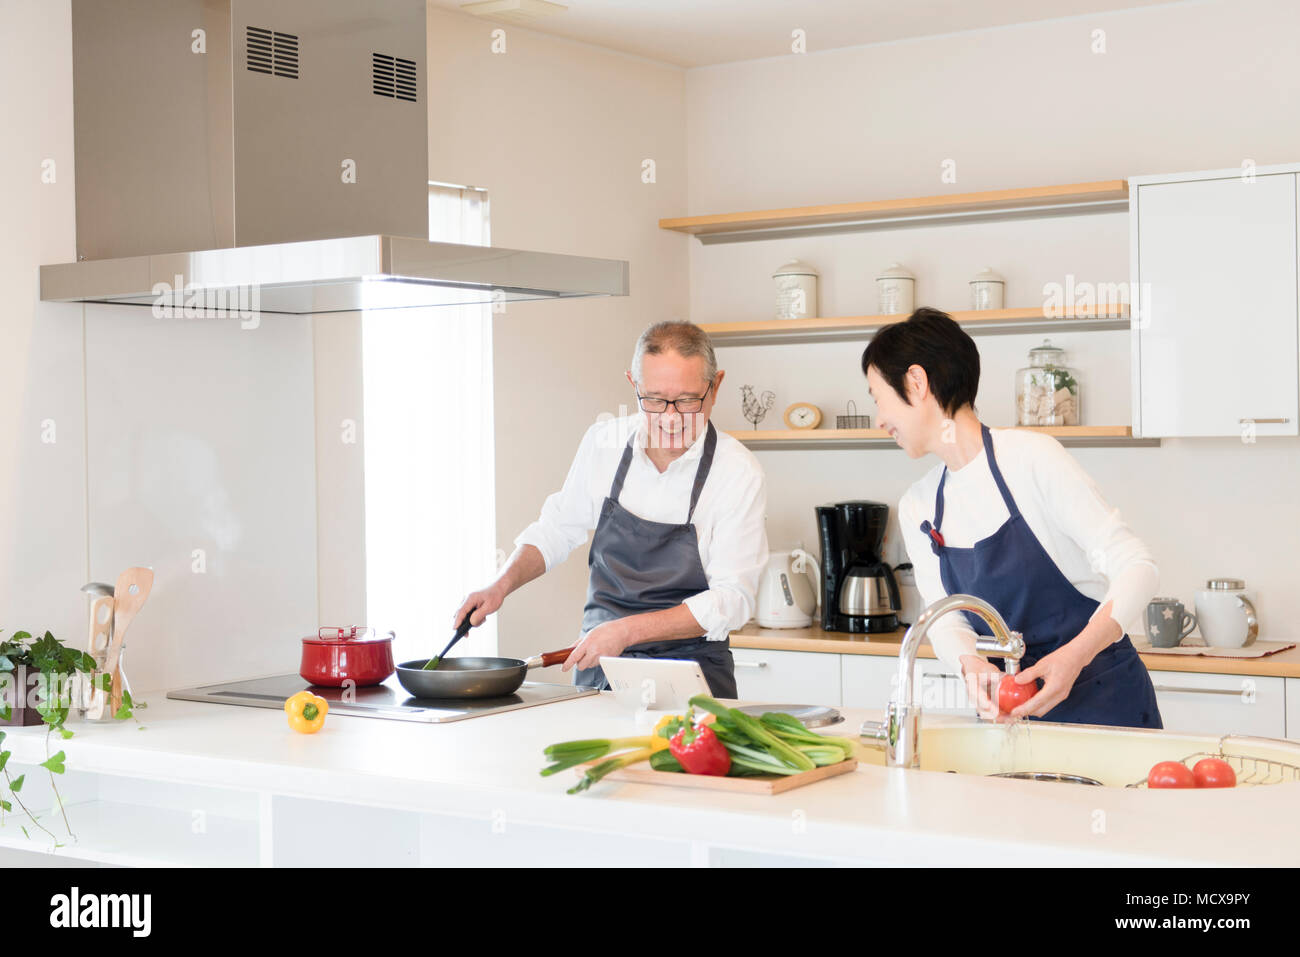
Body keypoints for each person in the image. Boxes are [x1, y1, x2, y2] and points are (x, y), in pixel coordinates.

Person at [863, 307, 1162, 728]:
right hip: (1014, 717)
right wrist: (971, 665)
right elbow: (944, 616)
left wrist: (1077, 654)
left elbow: (1138, 568)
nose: (879, 420)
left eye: (878, 398)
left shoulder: (1030, 459)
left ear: (916, 382)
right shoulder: (920, 504)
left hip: (1105, 703)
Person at [453, 321, 768, 698]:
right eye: (653, 400)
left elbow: (733, 599)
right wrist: (500, 584)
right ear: (633, 386)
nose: (670, 418)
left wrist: (626, 630)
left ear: (715, 387)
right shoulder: (604, 443)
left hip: (693, 672)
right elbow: (556, 528)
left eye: (687, 401)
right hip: (601, 666)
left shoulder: (737, 471)